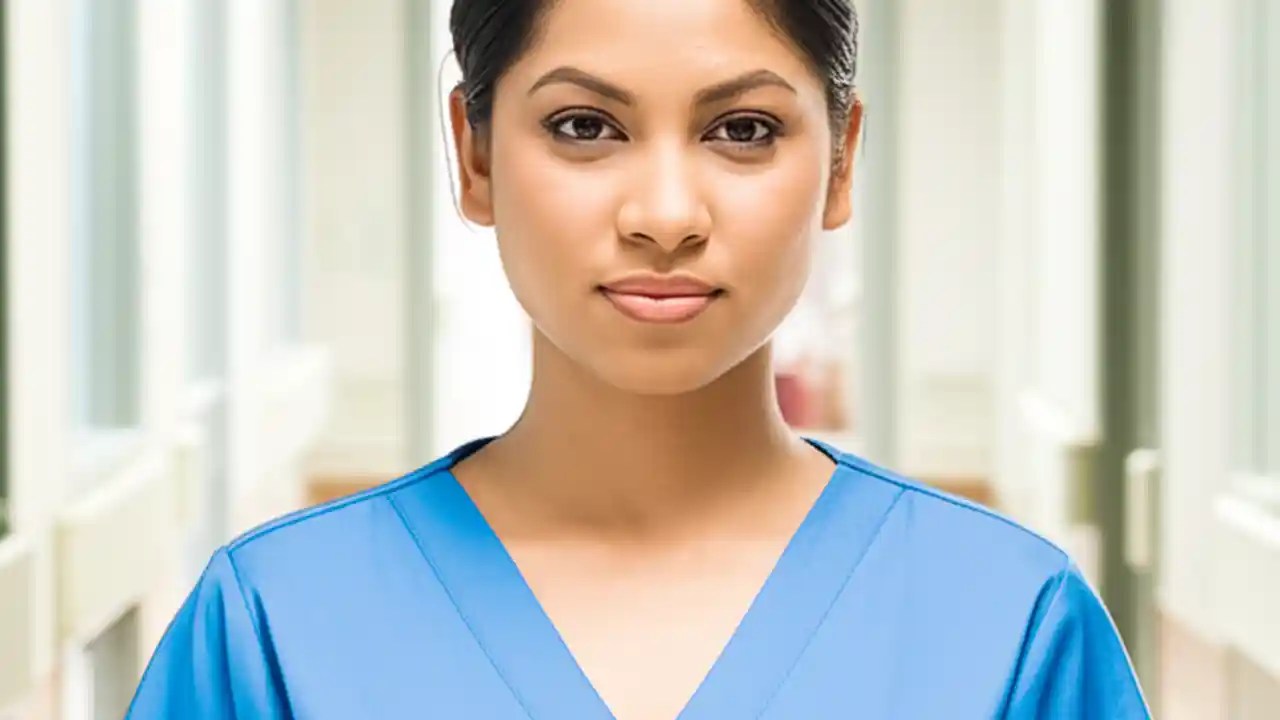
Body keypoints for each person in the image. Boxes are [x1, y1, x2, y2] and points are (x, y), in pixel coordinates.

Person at [126, 0, 1150, 717]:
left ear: (840, 160)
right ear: (473, 155)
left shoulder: (1011, 625)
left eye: (742, 130)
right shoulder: (271, 631)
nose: (665, 215)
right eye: (584, 126)